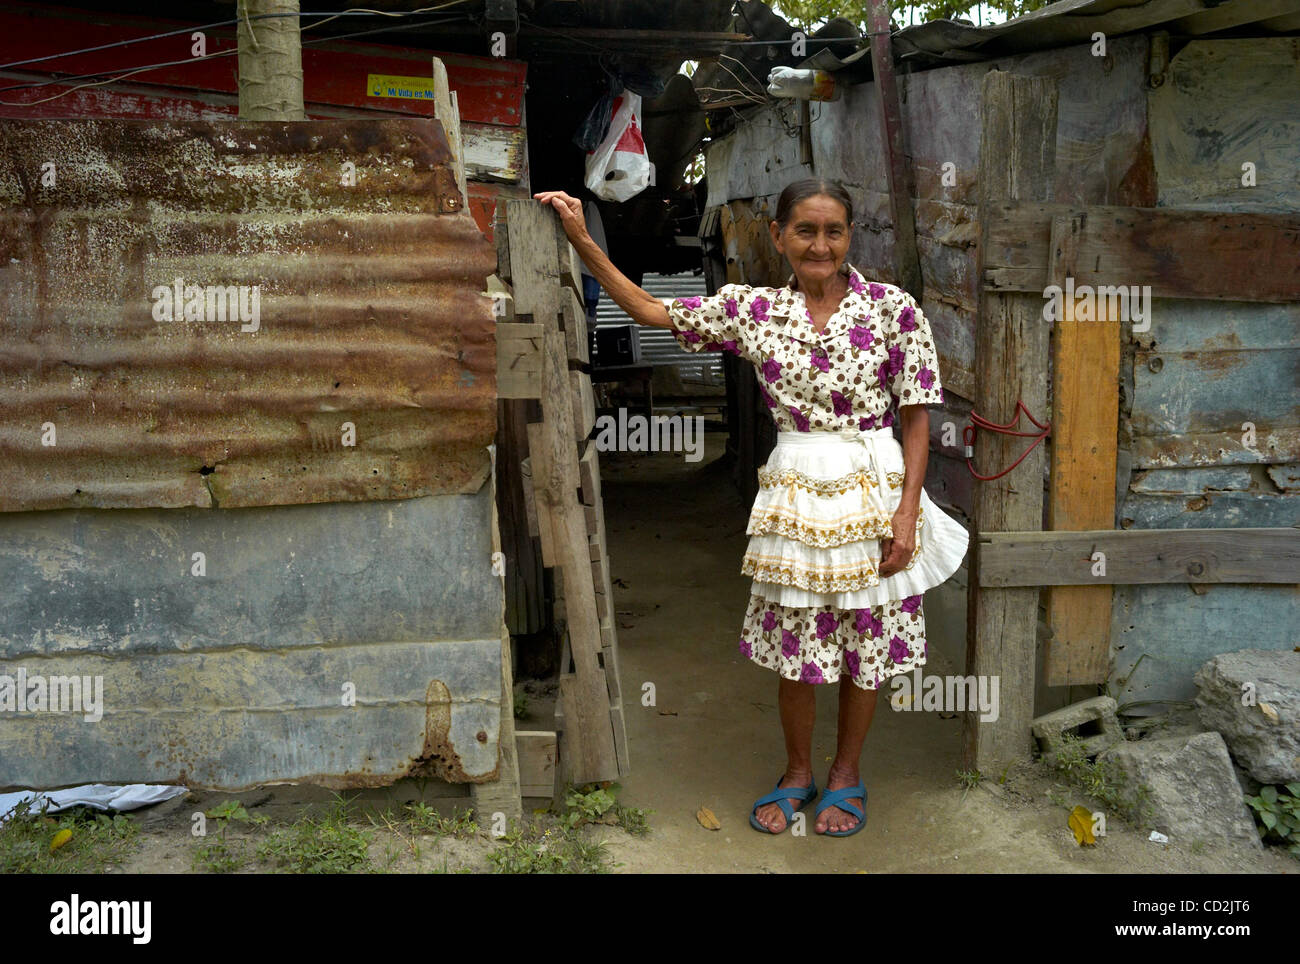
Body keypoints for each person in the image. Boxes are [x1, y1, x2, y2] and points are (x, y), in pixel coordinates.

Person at [533, 178, 969, 837]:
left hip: (874, 486)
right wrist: (584, 242)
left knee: (866, 640)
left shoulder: (893, 310)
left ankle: (846, 773)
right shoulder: (755, 310)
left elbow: (916, 418)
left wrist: (908, 510)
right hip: (796, 492)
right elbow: (654, 312)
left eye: (833, 231)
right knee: (799, 641)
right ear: (778, 236)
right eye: (805, 230)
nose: (819, 245)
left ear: (849, 237)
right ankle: (798, 772)